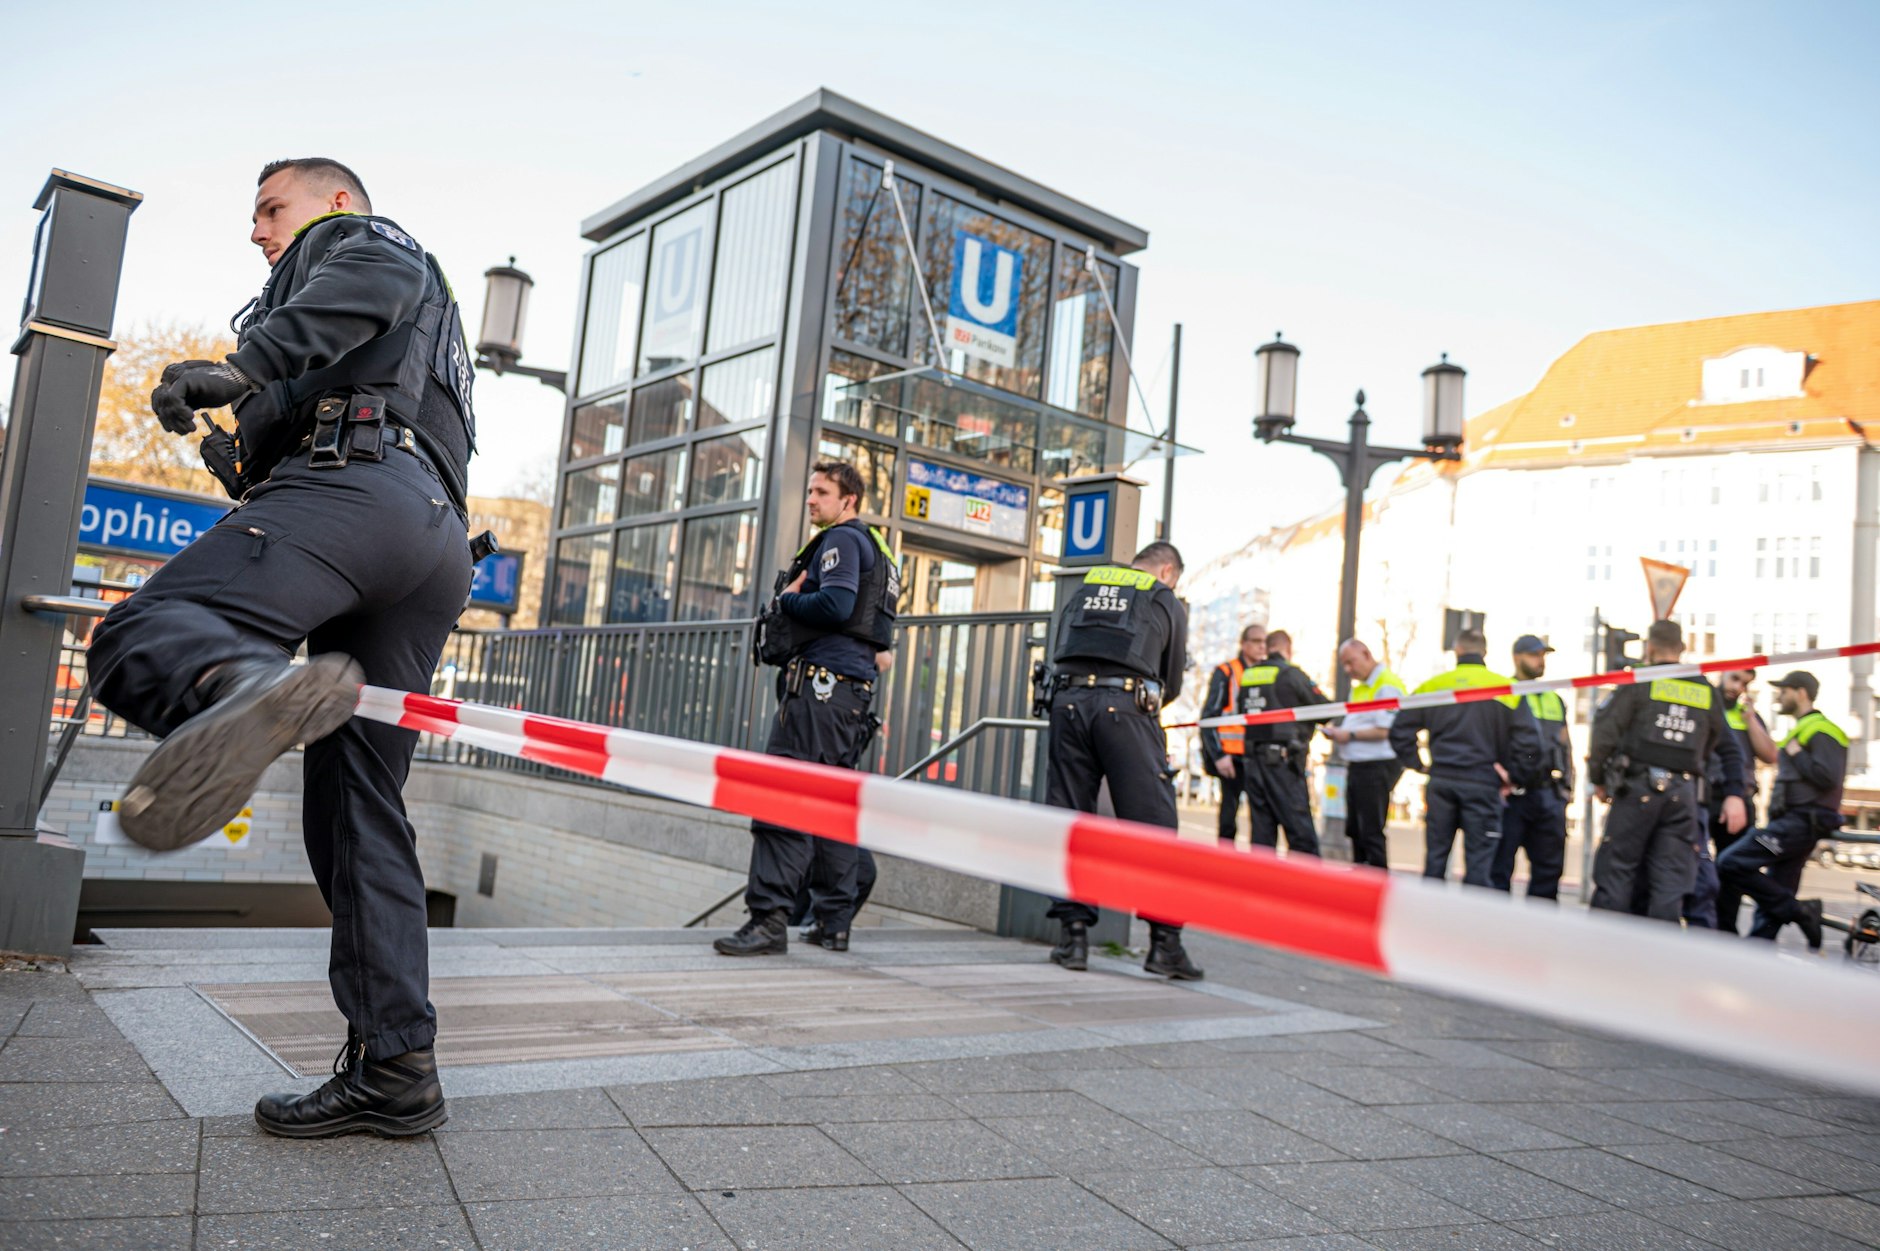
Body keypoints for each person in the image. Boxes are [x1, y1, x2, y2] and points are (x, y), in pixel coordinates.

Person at [87, 158, 478, 1137]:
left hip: (358, 490)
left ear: (333, 202)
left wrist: (247, 364)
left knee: (142, 636)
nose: (259, 230)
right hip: (427, 536)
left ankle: (245, 682)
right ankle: (395, 1066)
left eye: (271, 208)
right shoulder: (404, 322)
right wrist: (244, 452)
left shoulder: (358, 238)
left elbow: (373, 277)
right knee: (356, 810)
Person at [716, 461, 896, 957]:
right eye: (811, 490)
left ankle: (769, 920)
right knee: (831, 807)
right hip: (847, 698)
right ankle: (833, 922)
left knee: (783, 798)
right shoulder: (876, 547)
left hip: (818, 694)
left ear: (848, 500)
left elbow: (836, 605)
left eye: (821, 492)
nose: (811, 499)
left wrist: (787, 600)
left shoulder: (841, 540)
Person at [1043, 542, 1201, 980]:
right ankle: (1165, 945)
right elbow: (1170, 679)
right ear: (1167, 571)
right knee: (1152, 823)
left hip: (1067, 704)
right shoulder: (1162, 596)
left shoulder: (1088, 584)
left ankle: (1073, 939)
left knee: (1071, 819)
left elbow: (1061, 645)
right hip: (1125, 708)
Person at [1587, 620, 1746, 923]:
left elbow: (1605, 732)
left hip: (1637, 789)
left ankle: (1606, 945)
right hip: (1683, 795)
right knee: (1670, 881)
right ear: (1682, 648)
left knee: (1617, 872)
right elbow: (1716, 739)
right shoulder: (1703, 688)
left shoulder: (1641, 680)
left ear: (1649, 647)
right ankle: (1661, 948)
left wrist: (1598, 777)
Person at [1390, 628, 1543, 886]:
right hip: (1483, 783)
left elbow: (1399, 731)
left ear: (1457, 650)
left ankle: (1429, 910)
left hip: (1442, 781)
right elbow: (1531, 742)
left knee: (1435, 861)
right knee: (1479, 866)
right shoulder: (1506, 689)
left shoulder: (1433, 686)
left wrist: (1420, 765)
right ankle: (1471, 912)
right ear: (1484, 652)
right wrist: (1514, 776)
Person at [1716, 671, 1840, 949]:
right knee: (1774, 897)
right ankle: (1757, 954)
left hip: (1797, 825)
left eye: (1784, 691)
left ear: (1801, 693)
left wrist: (1797, 753)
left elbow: (1828, 777)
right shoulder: (1799, 730)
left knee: (1731, 861)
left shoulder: (1822, 729)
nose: (1779, 697)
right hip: (1791, 825)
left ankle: (1801, 912)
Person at [1490, 635, 1572, 900]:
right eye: (1534, 655)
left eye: (1543, 655)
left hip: (1548, 794)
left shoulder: (1554, 699)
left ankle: (1540, 923)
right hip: (1512, 794)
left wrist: (1566, 789)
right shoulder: (1502, 693)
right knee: (1499, 868)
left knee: (1549, 870)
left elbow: (1565, 745)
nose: (1540, 661)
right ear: (1517, 657)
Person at [1233, 628, 1328, 856]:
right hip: (1283, 764)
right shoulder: (1290, 674)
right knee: (1301, 837)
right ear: (1288, 648)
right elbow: (1325, 709)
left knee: (1262, 837)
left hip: (1253, 764)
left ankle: (1262, 880)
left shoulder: (1249, 676)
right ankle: (1306, 880)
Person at [1708, 669, 1779, 934]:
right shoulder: (1706, 703)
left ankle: (1725, 932)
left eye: (1745, 684)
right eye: (1734, 678)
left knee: (1731, 873)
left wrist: (1750, 720)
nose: (1737, 687)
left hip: (1739, 800)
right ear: (1722, 674)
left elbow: (1770, 755)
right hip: (1706, 796)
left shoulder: (1748, 716)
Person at [1323, 639, 1403, 869]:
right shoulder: (1362, 687)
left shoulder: (1386, 685)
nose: (1348, 669)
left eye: (1351, 662)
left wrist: (1348, 735)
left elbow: (1385, 730)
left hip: (1376, 766)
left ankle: (1375, 882)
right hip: (1360, 766)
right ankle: (1360, 878)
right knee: (1356, 830)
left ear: (1366, 654)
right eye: (1344, 664)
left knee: (1370, 832)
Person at [1200, 624, 1264, 846]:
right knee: (1229, 816)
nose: (1262, 646)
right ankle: (1223, 859)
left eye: (1264, 642)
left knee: (1262, 817)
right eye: (1256, 641)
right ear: (1244, 644)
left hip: (1257, 755)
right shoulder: (1227, 671)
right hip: (1232, 757)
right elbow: (1209, 717)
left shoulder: (1266, 672)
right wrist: (1218, 755)